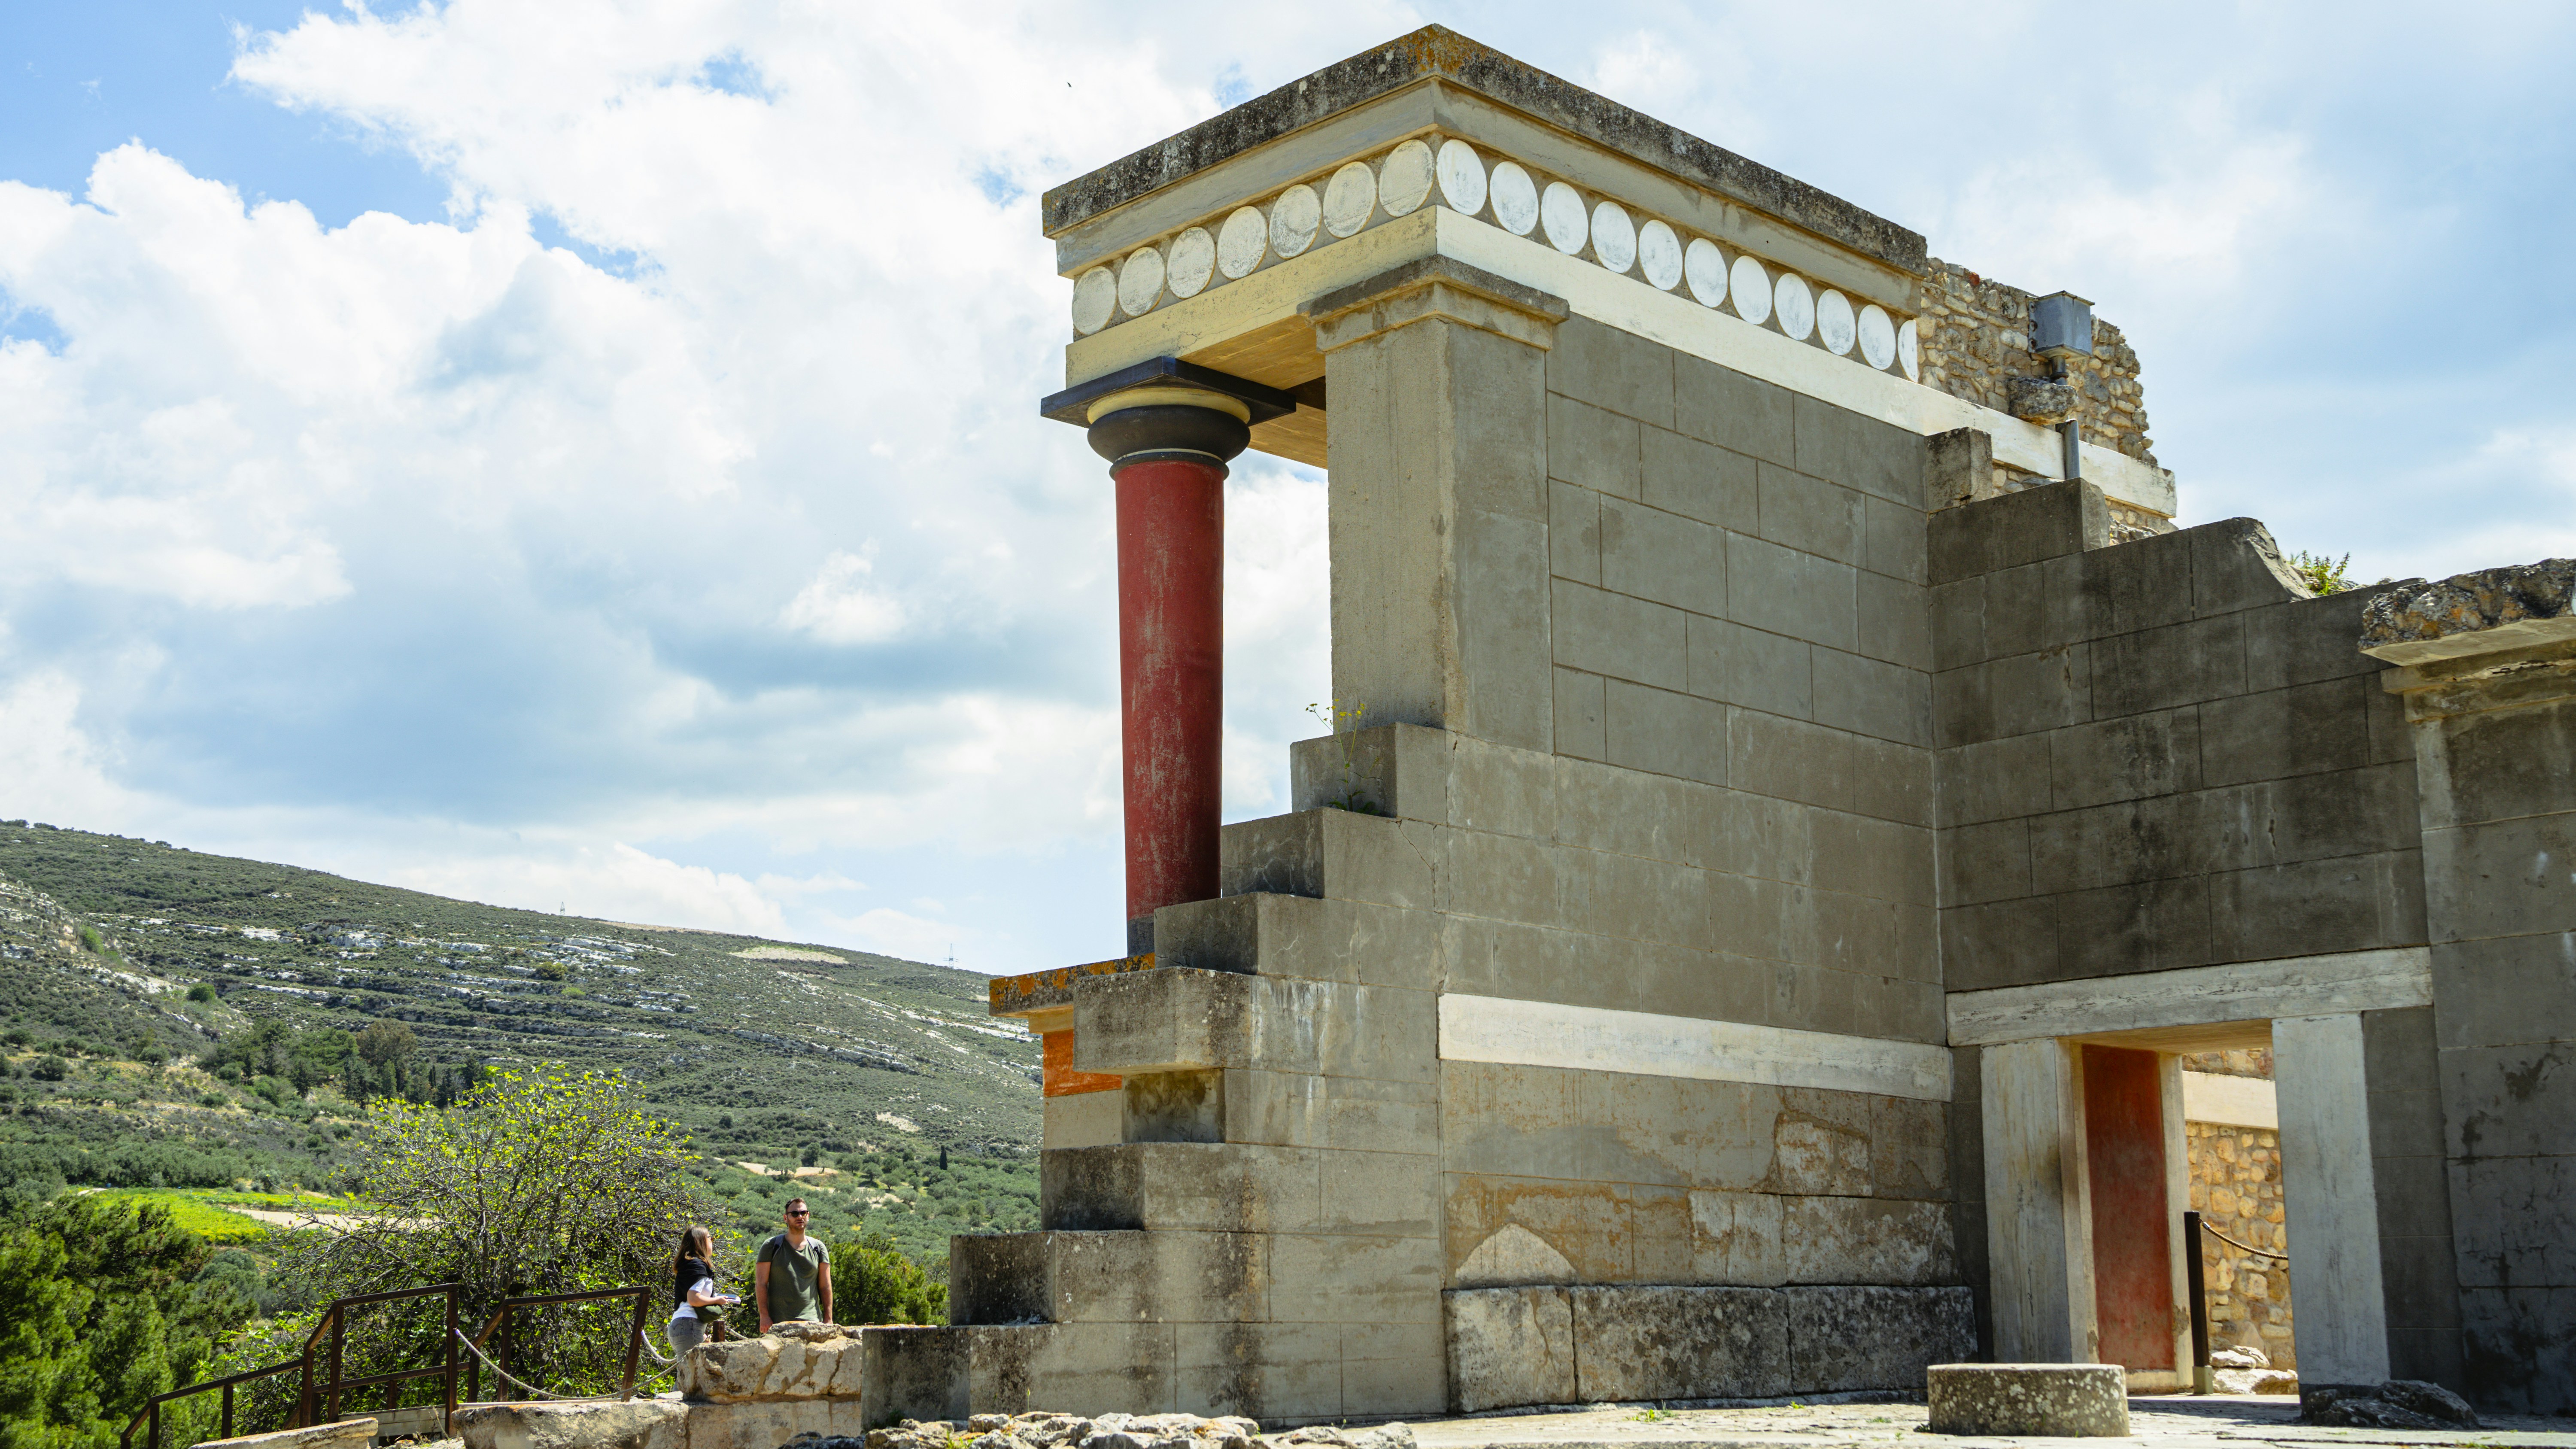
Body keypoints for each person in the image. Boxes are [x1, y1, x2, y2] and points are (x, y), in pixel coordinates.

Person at [755, 1199, 832, 1332]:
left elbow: (825, 1286)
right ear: (786, 1218)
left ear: (808, 1216)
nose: (800, 1217)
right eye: (795, 1214)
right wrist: (764, 1316)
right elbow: (761, 1284)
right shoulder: (771, 1246)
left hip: (813, 1324)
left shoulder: (818, 1248)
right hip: (779, 1325)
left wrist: (829, 1319)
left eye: (803, 1213)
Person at [667, 1225, 738, 1355]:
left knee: (690, 1374)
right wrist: (717, 1300)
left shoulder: (689, 1265)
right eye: (710, 1238)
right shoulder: (698, 1265)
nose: (712, 1241)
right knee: (693, 1375)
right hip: (689, 1326)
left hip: (682, 1326)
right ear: (700, 1241)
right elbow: (694, 1299)